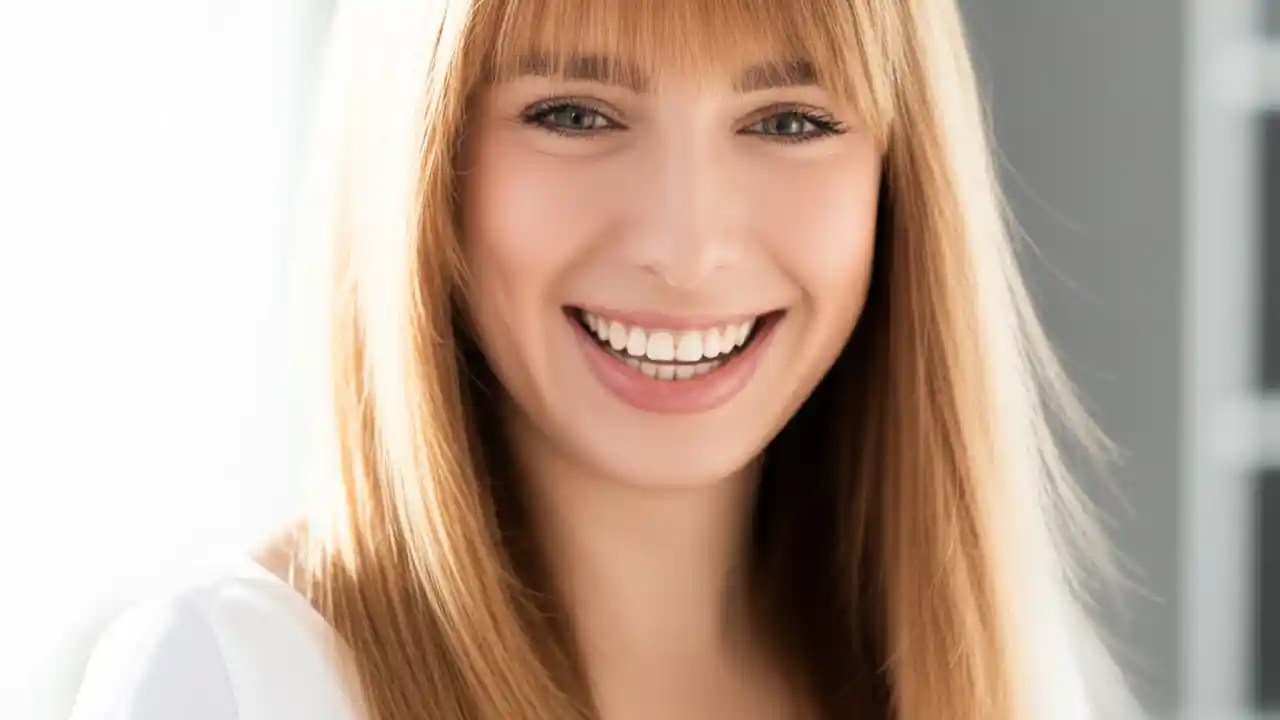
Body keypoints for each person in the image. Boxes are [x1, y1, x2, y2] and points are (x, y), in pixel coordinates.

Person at [69, 0, 1147, 718]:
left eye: (785, 121)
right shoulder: (237, 681)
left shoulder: (1020, 680)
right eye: (572, 112)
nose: (684, 251)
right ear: (425, 157)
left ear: (899, 183)